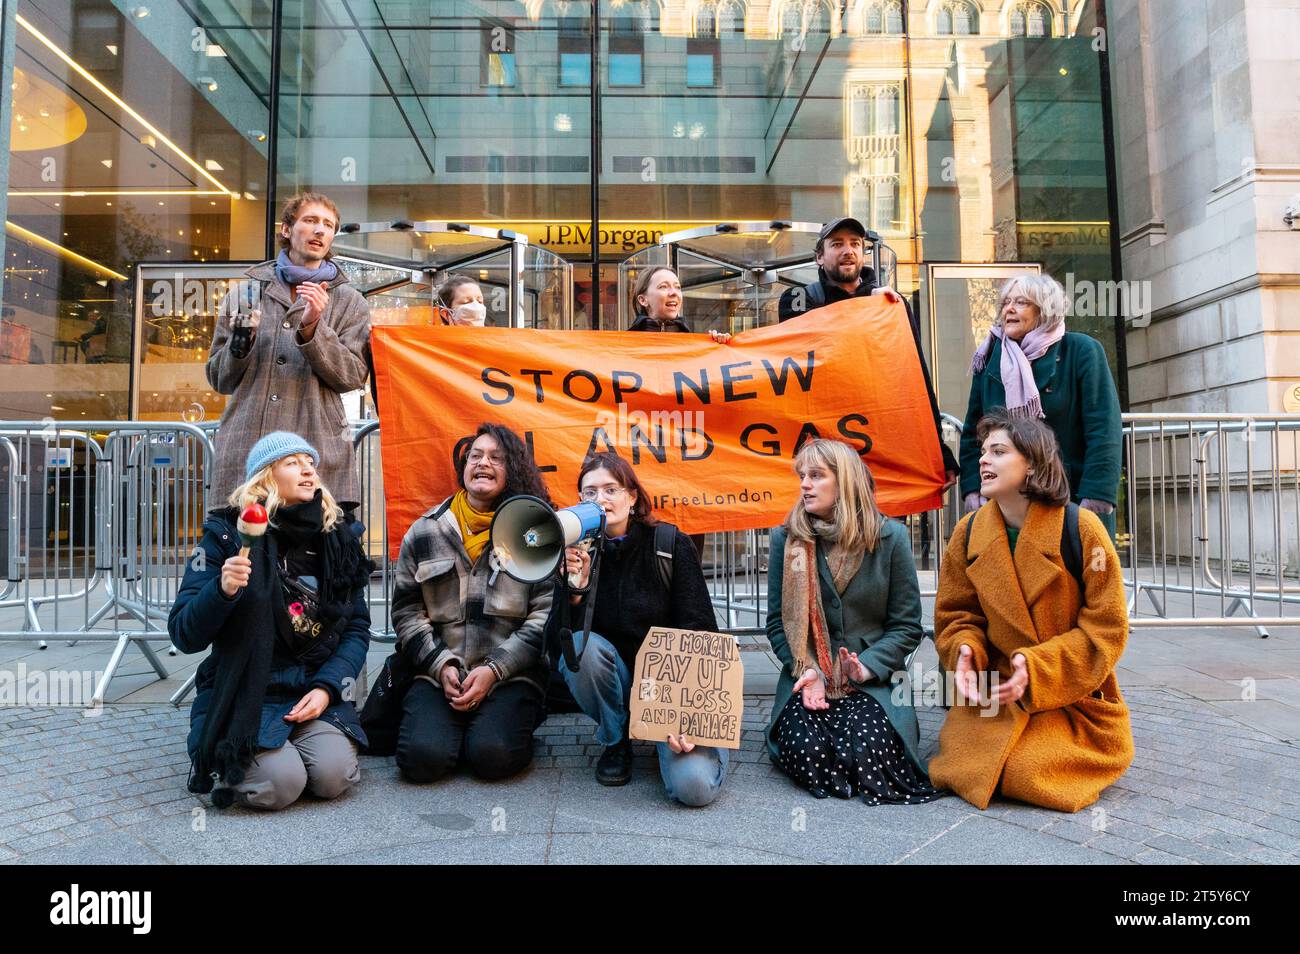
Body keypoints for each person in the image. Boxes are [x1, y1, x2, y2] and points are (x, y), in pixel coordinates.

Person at [930, 409, 1133, 813]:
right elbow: (956, 613)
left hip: (1069, 695)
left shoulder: (1081, 529)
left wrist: (1036, 668)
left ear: (1032, 464)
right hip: (998, 692)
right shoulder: (968, 533)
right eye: (983, 452)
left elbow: (1107, 628)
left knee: (1029, 774)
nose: (984, 460)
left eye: (999, 452)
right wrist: (965, 650)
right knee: (975, 768)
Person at [169, 432, 373, 810]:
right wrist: (221, 590)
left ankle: (293, 741)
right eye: (293, 463)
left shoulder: (338, 538)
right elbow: (184, 634)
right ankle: (249, 749)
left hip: (312, 688)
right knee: (282, 785)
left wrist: (328, 687)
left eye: (310, 463)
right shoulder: (226, 538)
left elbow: (357, 627)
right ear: (265, 476)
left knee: (332, 776)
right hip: (247, 692)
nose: (308, 470)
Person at [765, 439, 941, 805]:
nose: (804, 485)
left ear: (843, 482)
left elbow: (907, 626)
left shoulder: (890, 538)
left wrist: (868, 667)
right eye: (802, 476)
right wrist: (805, 669)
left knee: (868, 750)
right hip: (810, 678)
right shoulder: (788, 539)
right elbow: (777, 624)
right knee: (807, 752)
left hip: (872, 680)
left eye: (816, 476)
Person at [545, 452, 727, 806]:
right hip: (619, 682)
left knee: (694, 790)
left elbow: (701, 630)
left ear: (632, 497)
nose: (600, 500)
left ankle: (686, 745)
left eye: (611, 489)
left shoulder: (668, 545)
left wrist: (689, 715)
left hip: (670, 688)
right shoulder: (576, 554)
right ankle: (615, 739)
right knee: (584, 647)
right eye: (590, 492)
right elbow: (561, 650)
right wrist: (575, 593)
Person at [390, 423, 554, 782]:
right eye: (475, 456)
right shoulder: (424, 530)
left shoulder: (534, 533)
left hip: (512, 675)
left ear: (513, 471)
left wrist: (495, 670)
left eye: (497, 458)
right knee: (421, 762)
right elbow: (405, 611)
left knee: (492, 758)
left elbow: (545, 615)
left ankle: (496, 726)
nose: (483, 463)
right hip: (438, 674)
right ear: (463, 468)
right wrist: (440, 665)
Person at [207, 192, 371, 506]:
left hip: (317, 448)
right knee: (246, 549)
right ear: (286, 230)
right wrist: (241, 342)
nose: (320, 230)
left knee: (316, 550)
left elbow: (351, 376)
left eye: (328, 225)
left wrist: (313, 328)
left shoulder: (350, 301)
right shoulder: (246, 293)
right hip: (250, 451)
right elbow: (219, 380)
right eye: (310, 221)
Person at [777, 217, 959, 487]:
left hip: (882, 448)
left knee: (883, 528)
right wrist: (865, 309)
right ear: (819, 256)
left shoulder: (890, 305)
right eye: (836, 244)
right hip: (823, 450)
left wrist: (939, 451)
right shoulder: (797, 300)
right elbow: (798, 366)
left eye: (855, 244)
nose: (847, 250)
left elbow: (916, 377)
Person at [959, 273, 1122, 538]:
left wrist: (1096, 496)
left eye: (1021, 302)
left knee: (1076, 577)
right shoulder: (991, 357)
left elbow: (1104, 431)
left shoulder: (1081, 350)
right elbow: (972, 432)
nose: (1009, 309)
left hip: (1069, 498)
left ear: (1045, 311)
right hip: (1006, 505)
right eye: (1006, 302)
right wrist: (972, 489)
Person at [629, 266, 732, 343]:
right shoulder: (624, 346)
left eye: (677, 287)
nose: (674, 293)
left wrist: (720, 346)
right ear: (643, 300)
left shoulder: (695, 344)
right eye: (663, 287)